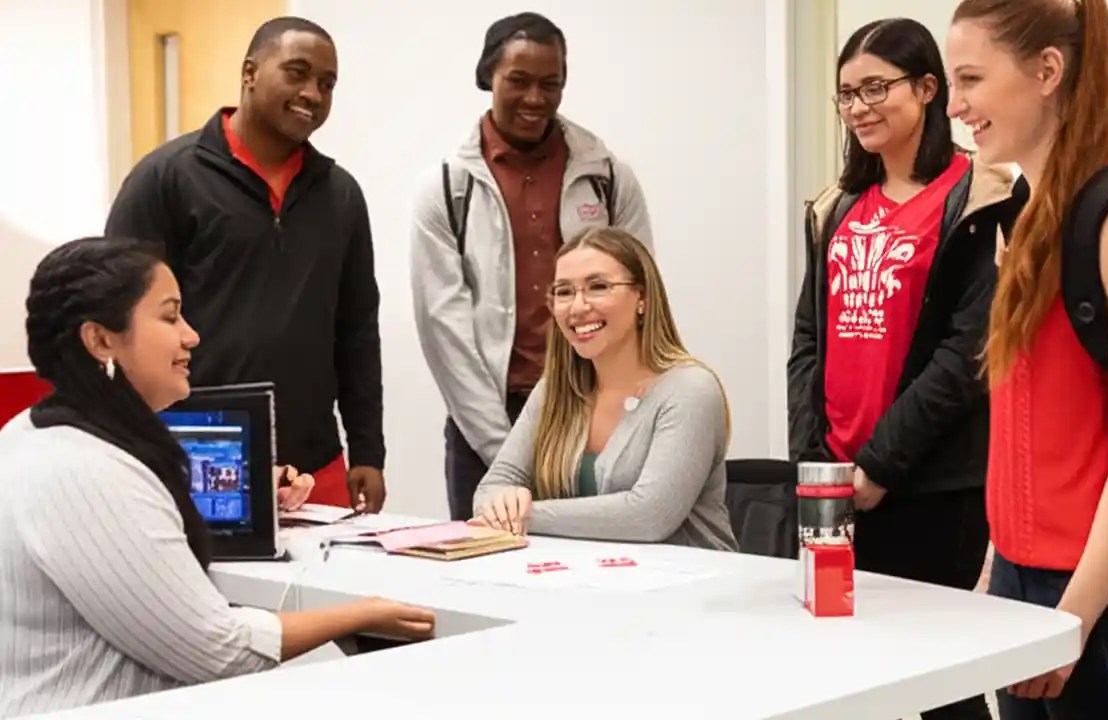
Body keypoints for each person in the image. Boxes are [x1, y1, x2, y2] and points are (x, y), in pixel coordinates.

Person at [0, 238, 435, 717]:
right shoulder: (84, 472)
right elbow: (216, 651)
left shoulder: (36, 435)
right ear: (101, 340)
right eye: (169, 317)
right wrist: (362, 613)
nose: (192, 336)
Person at [947, 1, 1108, 717]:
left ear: (1047, 71)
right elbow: (1026, 416)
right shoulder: (1023, 218)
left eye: (971, 79)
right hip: (1025, 579)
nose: (956, 105)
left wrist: (1072, 620)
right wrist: (999, 563)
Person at [787, 18, 1024, 720]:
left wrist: (882, 465)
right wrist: (814, 461)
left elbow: (970, 351)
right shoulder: (836, 207)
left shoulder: (982, 197)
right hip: (834, 481)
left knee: (938, 687)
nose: (858, 107)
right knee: (845, 675)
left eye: (875, 87)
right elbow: (810, 337)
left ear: (927, 88)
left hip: (931, 485)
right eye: (845, 94)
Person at [104, 16, 386, 512]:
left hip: (315, 463)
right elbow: (121, 318)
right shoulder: (166, 178)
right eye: (297, 73)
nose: (313, 94)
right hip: (198, 454)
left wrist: (368, 449)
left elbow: (357, 329)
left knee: (333, 593)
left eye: (327, 83)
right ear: (250, 72)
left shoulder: (341, 195)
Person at [410, 12, 652, 521]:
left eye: (551, 83)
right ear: (487, 78)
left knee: (595, 575)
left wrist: (624, 409)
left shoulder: (606, 175)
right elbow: (444, 330)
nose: (535, 99)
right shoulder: (447, 188)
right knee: (488, 579)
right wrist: (505, 453)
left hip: (592, 411)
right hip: (488, 421)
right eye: (518, 81)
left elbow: (638, 294)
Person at [471, 228, 735, 551]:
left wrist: (525, 514)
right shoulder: (553, 391)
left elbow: (649, 515)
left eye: (598, 287)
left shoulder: (690, 390)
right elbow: (489, 491)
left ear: (642, 298)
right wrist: (501, 505)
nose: (578, 307)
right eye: (564, 292)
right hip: (590, 585)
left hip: (693, 592)